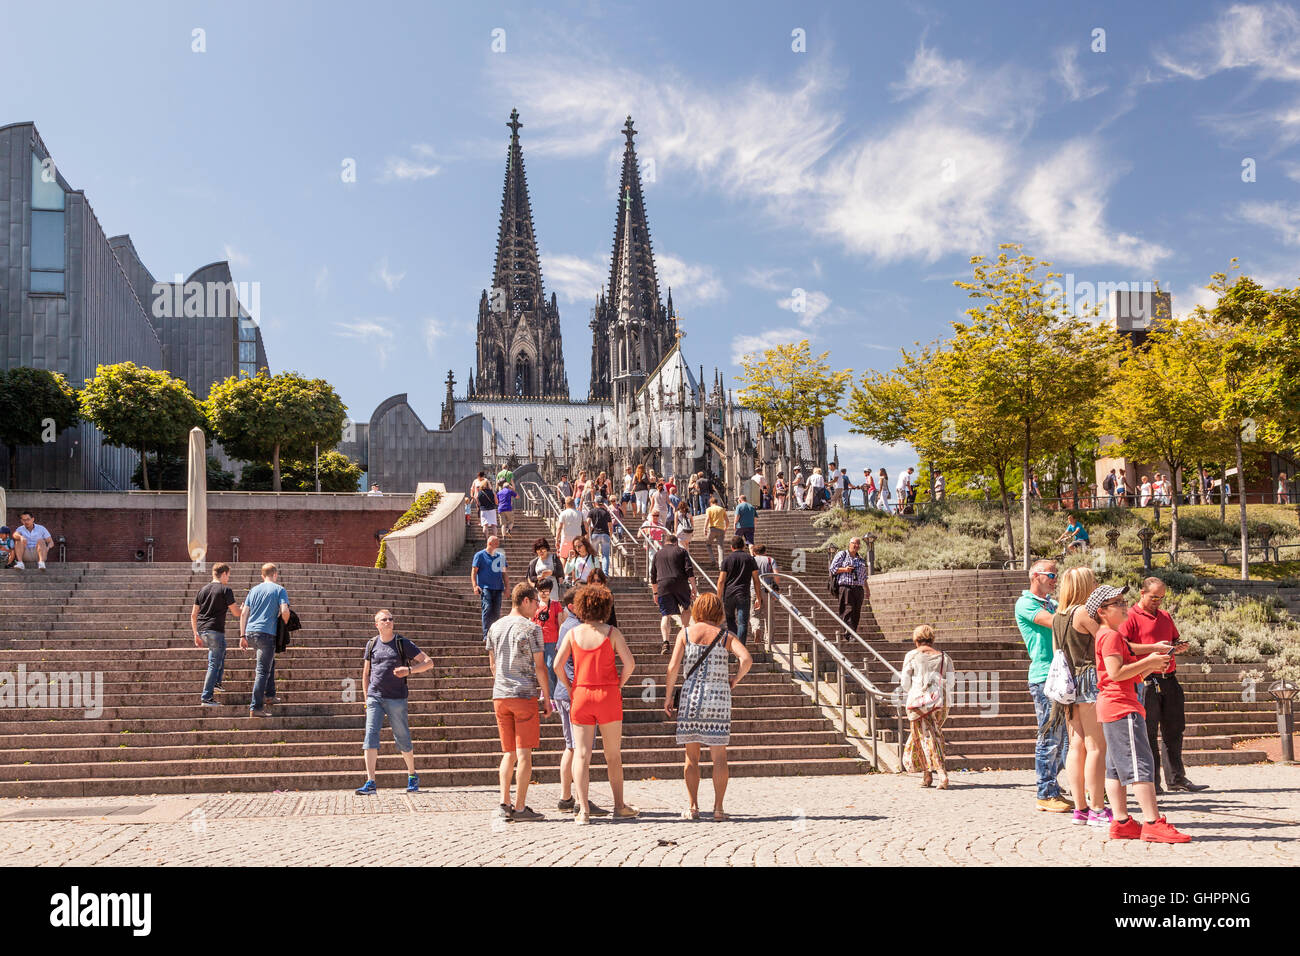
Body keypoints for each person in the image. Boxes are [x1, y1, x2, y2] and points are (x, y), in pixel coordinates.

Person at [1088, 584, 1191, 843]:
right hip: (1122, 706)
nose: (1125, 606)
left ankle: (1122, 821)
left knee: (1115, 768)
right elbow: (1115, 673)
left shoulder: (1109, 634)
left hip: (1114, 704)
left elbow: (1126, 674)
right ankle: (1153, 822)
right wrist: (1150, 662)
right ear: (1102, 611)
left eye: (1124, 601)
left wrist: (1152, 662)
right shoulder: (1110, 636)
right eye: (1118, 603)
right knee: (1141, 764)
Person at [553, 583, 639, 824]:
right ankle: (619, 806)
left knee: (581, 755)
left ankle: (583, 811)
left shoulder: (572, 633)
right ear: (605, 607)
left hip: (581, 695)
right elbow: (630, 664)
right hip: (608, 695)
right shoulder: (612, 633)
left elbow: (557, 666)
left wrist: (571, 688)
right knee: (613, 755)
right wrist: (618, 685)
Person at [664, 592, 753, 820]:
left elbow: (673, 667)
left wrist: (667, 697)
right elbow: (747, 660)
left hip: (691, 697)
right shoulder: (726, 636)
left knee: (691, 757)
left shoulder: (685, 634)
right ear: (719, 611)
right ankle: (718, 809)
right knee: (719, 757)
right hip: (718, 699)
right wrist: (735, 678)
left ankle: (693, 807)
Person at [1119, 578, 1205, 794]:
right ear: (1142, 593)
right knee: (1148, 734)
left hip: (1169, 678)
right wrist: (1153, 648)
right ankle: (1152, 783)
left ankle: (1177, 778)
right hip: (1146, 681)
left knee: (1175, 730)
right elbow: (1124, 646)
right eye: (1153, 597)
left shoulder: (1165, 616)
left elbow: (1173, 639)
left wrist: (1179, 647)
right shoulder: (1129, 616)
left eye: (1161, 598)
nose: (1157, 601)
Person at [484, 583, 551, 822]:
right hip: (523, 694)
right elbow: (540, 668)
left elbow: (492, 665)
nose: (537, 607)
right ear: (525, 601)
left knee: (508, 753)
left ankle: (504, 803)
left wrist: (502, 684)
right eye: (535, 602)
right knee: (524, 755)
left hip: (500, 695)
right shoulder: (532, 629)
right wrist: (547, 697)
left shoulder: (495, 627)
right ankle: (521, 808)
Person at [1048, 567, 1109, 827]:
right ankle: (1097, 807)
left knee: (1076, 746)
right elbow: (1107, 638)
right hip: (1088, 679)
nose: (1096, 585)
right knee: (1096, 746)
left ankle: (1081, 809)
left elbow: (1057, 653)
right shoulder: (1083, 612)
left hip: (1068, 683)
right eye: (1093, 581)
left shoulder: (1057, 616)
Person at [355, 609, 434, 795]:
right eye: (384, 619)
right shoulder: (372, 644)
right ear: (377, 624)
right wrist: (366, 698)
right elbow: (366, 673)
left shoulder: (402, 643)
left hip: (396, 698)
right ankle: (371, 781)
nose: (388, 621)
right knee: (370, 736)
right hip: (375, 697)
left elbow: (429, 662)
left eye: (390, 619)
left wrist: (409, 670)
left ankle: (412, 775)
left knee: (402, 736)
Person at [1014, 560, 1071, 811]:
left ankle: (1055, 788)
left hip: (1062, 675)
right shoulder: (1025, 603)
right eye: (1050, 574)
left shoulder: (1054, 604)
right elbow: (1054, 622)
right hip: (1044, 676)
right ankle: (1045, 793)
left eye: (1056, 575)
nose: (1054, 579)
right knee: (1049, 736)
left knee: (1065, 738)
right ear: (1035, 576)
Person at [552, 590, 611, 817]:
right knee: (577, 748)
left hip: (567, 692)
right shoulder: (574, 628)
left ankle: (568, 797)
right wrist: (571, 688)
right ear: (574, 606)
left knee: (572, 746)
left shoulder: (570, 626)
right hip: (574, 693)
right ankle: (578, 799)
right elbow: (564, 664)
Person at [901, 624, 951, 789]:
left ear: (916, 640)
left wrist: (916, 692)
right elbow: (950, 682)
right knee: (927, 736)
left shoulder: (912, 655)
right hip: (941, 703)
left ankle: (942, 773)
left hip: (920, 703)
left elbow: (905, 683)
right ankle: (927, 775)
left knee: (928, 737)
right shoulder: (944, 657)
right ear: (932, 639)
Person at [239, 563, 290, 717]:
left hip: (250, 632)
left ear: (262, 576)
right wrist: (284, 623)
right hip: (266, 634)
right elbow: (285, 611)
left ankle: (270, 695)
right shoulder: (279, 589)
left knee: (269, 662)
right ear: (275, 575)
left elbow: (243, 614)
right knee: (262, 670)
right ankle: (255, 707)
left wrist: (242, 636)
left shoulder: (253, 590)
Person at [193, 562, 241, 706]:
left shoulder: (202, 590)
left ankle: (217, 683)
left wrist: (195, 634)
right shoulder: (225, 590)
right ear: (224, 573)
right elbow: (236, 613)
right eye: (228, 576)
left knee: (221, 651)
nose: (229, 579)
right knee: (214, 662)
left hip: (202, 630)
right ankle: (206, 697)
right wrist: (244, 609)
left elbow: (193, 614)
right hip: (215, 630)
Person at [526, 537, 565, 692]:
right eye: (538, 550)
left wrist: (552, 573)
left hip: (553, 595)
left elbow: (560, 573)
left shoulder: (554, 558)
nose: (541, 552)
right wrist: (538, 580)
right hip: (540, 597)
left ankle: (551, 690)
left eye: (543, 549)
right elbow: (530, 579)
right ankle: (546, 689)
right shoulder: (534, 562)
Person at [650, 532, 696, 656]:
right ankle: (684, 634)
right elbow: (689, 570)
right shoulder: (681, 551)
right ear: (676, 542)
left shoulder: (658, 554)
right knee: (686, 609)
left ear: (665, 542)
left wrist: (655, 593)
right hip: (680, 583)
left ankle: (665, 642)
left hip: (663, 585)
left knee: (666, 615)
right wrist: (694, 587)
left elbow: (653, 576)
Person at [716, 535, 762, 644]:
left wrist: (718, 598)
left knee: (730, 620)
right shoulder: (750, 559)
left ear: (732, 547)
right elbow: (756, 580)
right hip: (743, 594)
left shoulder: (727, 560)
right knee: (743, 623)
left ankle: (734, 643)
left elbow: (721, 581)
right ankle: (740, 646)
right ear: (743, 547)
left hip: (729, 594)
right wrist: (758, 598)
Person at [828, 537, 868, 638]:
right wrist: (845, 569)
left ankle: (852, 633)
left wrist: (867, 590)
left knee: (856, 612)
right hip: (846, 587)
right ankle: (849, 634)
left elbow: (864, 577)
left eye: (858, 544)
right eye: (855, 543)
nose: (856, 546)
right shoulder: (842, 555)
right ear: (849, 544)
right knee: (848, 610)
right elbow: (833, 569)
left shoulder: (861, 559)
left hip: (858, 589)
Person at [471, 535, 509, 642]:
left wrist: (507, 587)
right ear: (489, 543)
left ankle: (495, 635)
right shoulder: (480, 555)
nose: (498, 545)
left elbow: (504, 574)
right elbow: (474, 572)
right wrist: (475, 586)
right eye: (496, 543)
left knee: (496, 611)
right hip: (485, 587)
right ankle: (486, 635)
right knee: (487, 609)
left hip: (498, 588)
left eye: (498, 543)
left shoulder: (500, 556)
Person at [588, 497, 614, 573]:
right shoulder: (606, 512)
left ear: (595, 503)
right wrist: (611, 535)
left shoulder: (592, 511)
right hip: (605, 534)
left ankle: (594, 571)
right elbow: (610, 526)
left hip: (595, 534)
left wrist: (588, 531)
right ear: (603, 503)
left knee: (594, 555)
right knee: (605, 555)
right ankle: (605, 573)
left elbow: (587, 522)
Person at [555, 496, 586, 561]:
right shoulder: (580, 514)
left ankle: (563, 571)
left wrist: (557, 539)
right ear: (574, 503)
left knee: (563, 557)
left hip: (566, 539)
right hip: (577, 540)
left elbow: (559, 528)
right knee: (576, 558)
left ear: (566, 504)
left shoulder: (563, 513)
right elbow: (586, 526)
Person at [471, 472, 498, 539]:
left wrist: (480, 505)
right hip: (492, 509)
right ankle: (495, 538)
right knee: (493, 525)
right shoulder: (492, 492)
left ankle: (486, 538)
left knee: (485, 525)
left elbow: (477, 500)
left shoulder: (480, 493)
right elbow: (496, 502)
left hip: (483, 509)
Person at [704, 496, 728, 570]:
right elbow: (727, 521)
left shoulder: (709, 509)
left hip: (712, 529)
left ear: (711, 503)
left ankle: (713, 559)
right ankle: (721, 565)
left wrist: (705, 528)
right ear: (717, 502)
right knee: (720, 547)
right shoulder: (722, 509)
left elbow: (707, 519)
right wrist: (725, 528)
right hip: (721, 529)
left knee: (708, 544)